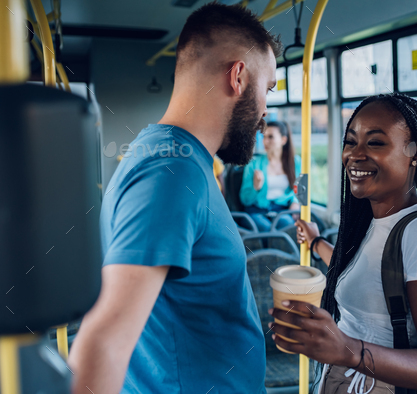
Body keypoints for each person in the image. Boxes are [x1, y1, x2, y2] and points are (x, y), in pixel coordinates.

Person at [69, 3, 282, 394]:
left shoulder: (168, 155)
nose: (265, 111)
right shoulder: (172, 171)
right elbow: (103, 342)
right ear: (238, 76)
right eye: (266, 89)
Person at [269, 93, 417, 393]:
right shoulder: (374, 220)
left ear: (416, 153)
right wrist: (315, 240)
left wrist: (347, 349)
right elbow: (366, 273)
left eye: (375, 143)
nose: (355, 154)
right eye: (350, 141)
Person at [239, 121, 300, 232]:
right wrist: (256, 188)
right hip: (257, 210)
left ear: (283, 140)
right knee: (265, 229)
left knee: (287, 225)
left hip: (282, 210)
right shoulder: (253, 164)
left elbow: (300, 192)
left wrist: (295, 202)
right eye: (264, 137)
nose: (265, 141)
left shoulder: (296, 163)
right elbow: (245, 200)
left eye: (271, 137)